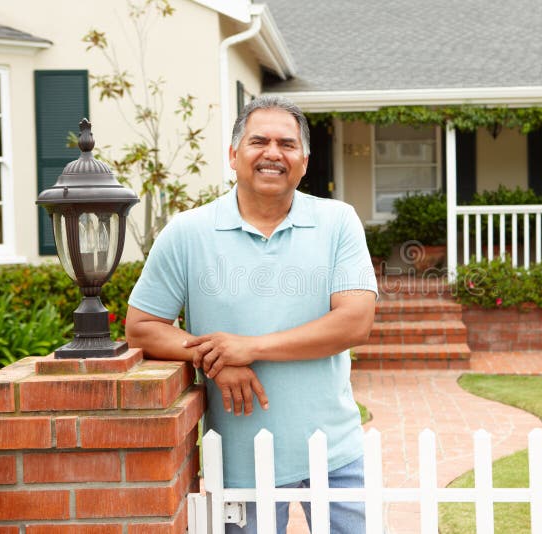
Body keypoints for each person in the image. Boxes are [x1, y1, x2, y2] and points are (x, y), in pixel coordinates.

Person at [125, 95, 378, 533]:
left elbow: (354, 322)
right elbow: (142, 328)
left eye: (287, 144)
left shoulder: (338, 221)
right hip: (239, 459)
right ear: (233, 155)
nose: (273, 153)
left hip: (335, 450)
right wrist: (215, 359)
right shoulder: (187, 232)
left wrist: (249, 348)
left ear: (303, 161)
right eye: (258, 141)